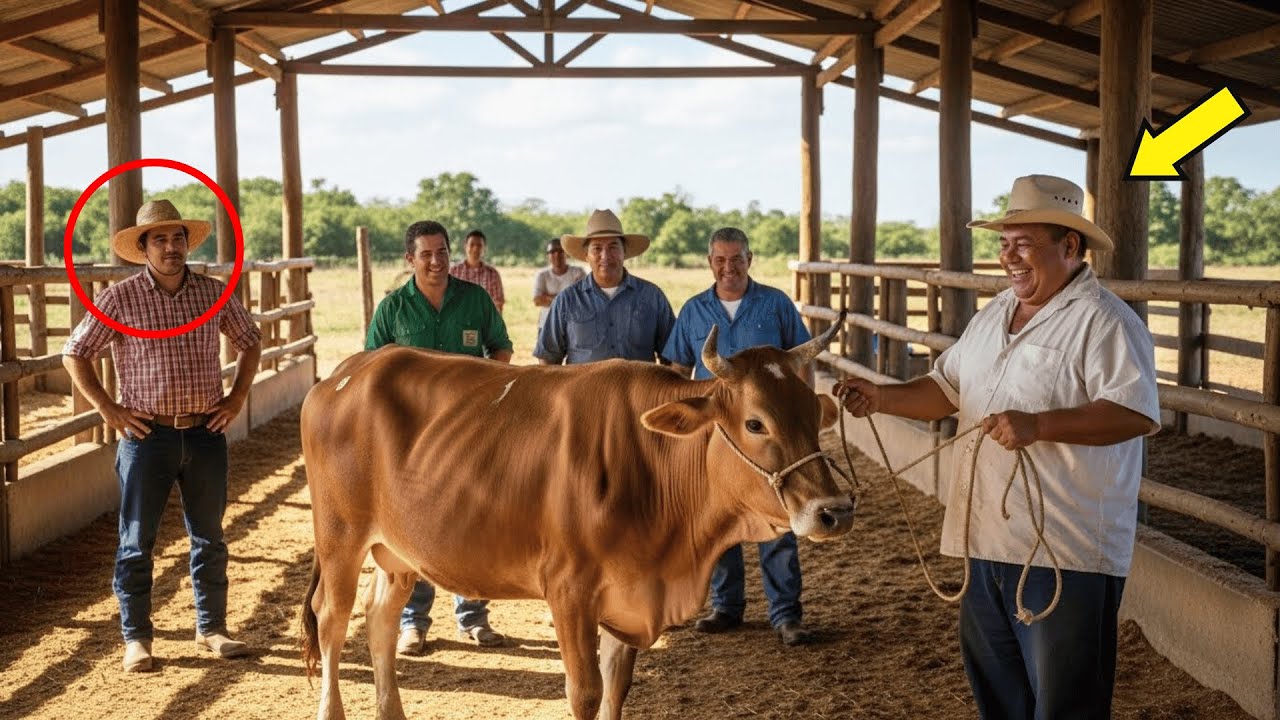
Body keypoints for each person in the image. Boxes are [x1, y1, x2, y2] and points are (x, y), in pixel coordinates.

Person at [834, 174, 1160, 719]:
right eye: (1004, 243)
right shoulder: (991, 317)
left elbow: (1132, 412)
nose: (1008, 257)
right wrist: (882, 397)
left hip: (1064, 547)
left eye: (1023, 243)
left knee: (1065, 705)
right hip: (984, 539)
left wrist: (1039, 425)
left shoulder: (1104, 322)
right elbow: (946, 389)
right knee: (1000, 698)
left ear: (1069, 246)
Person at [61, 199, 263, 673]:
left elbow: (250, 341)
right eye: (160, 240)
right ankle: (137, 639)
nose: (171, 247)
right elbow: (76, 353)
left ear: (186, 243)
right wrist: (109, 409)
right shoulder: (119, 298)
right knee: (137, 541)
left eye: (178, 239)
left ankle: (211, 628)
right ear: (143, 247)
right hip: (146, 436)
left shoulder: (213, 292)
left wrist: (235, 399)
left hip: (204, 433)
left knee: (209, 537)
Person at [661, 227, 815, 647]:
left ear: (750, 259)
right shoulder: (694, 310)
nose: (728, 267)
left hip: (769, 441)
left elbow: (800, 363)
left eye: (737, 259)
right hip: (717, 440)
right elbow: (675, 370)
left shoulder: (776, 304)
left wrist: (802, 421)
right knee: (721, 523)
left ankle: (785, 615)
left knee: (779, 519)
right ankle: (726, 607)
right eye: (720, 260)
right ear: (710, 261)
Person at [367, 220, 514, 654]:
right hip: (410, 438)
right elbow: (371, 370)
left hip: (471, 432)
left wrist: (487, 394)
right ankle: (415, 622)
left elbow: (500, 348)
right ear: (409, 259)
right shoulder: (393, 309)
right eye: (426, 254)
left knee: (474, 519)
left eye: (442, 252)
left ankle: (474, 616)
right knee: (416, 527)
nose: (436, 261)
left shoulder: (475, 299)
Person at [534, 209, 674, 365]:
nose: (605, 256)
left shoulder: (652, 296)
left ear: (624, 251)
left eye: (613, 247)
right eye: (597, 248)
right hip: (583, 390)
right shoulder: (566, 300)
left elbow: (672, 358)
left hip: (640, 389)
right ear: (586, 255)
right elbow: (548, 358)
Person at [532, 237, 585, 332]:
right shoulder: (542, 275)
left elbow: (582, 299)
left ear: (567, 254)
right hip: (547, 325)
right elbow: (537, 300)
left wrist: (547, 296)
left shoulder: (578, 272)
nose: (557, 254)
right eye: (552, 252)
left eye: (560, 251)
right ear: (547, 256)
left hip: (573, 325)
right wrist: (568, 297)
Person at [448, 229, 505, 313]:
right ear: (465, 246)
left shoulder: (492, 274)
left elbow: (498, 305)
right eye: (472, 244)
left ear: (484, 248)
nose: (475, 249)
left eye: (479, 245)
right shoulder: (453, 271)